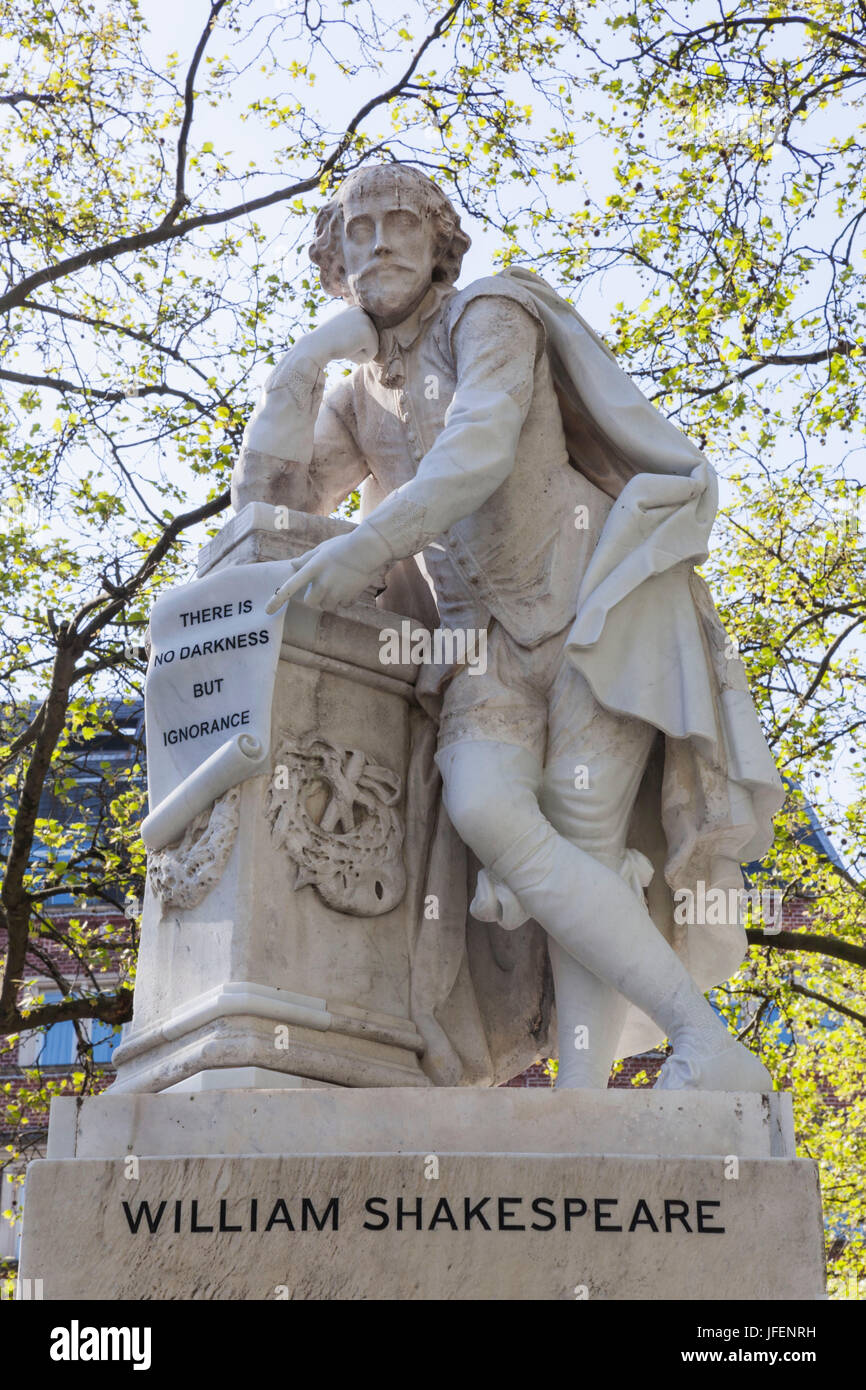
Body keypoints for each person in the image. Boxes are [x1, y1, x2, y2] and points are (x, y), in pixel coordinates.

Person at [232, 162, 783, 1090]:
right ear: (333, 264)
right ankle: (699, 1044)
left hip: (593, 606)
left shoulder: (490, 314)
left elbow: (478, 446)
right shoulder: (359, 389)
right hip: (477, 642)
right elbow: (268, 508)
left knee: (582, 832)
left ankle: (604, 1096)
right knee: (486, 805)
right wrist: (300, 367)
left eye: (399, 224)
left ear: (440, 241)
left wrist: (367, 548)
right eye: (355, 234)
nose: (377, 246)